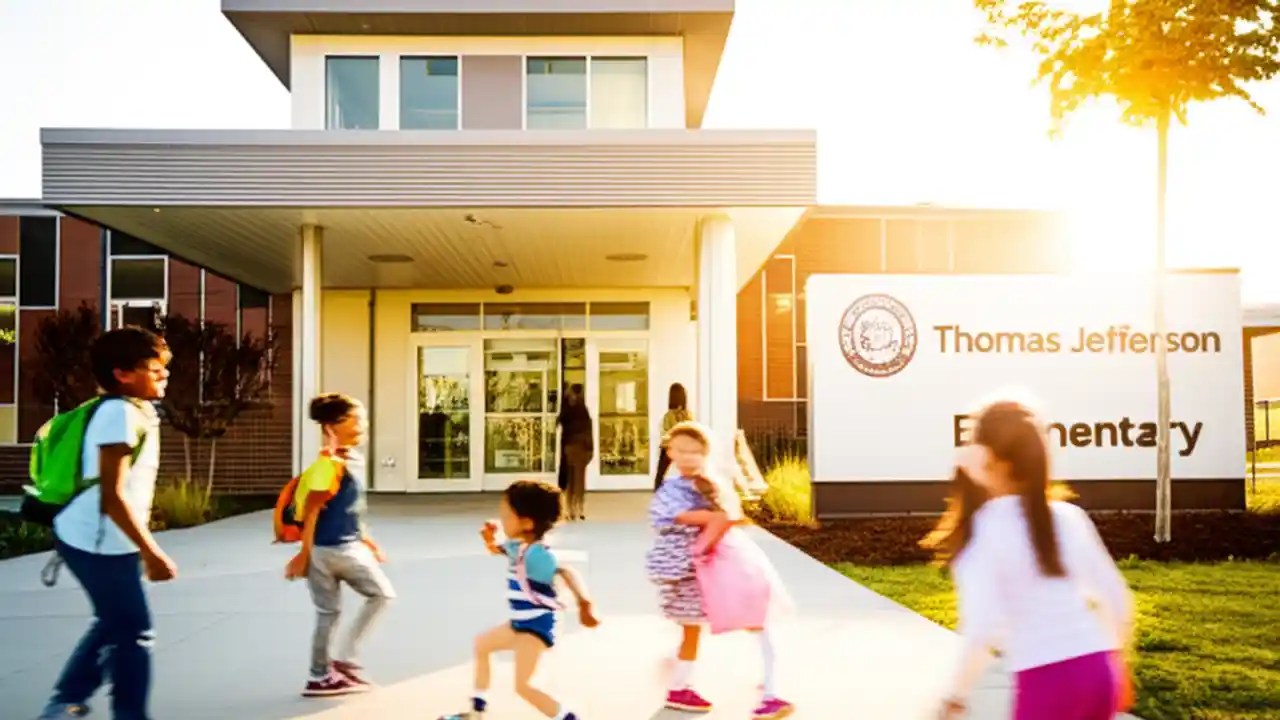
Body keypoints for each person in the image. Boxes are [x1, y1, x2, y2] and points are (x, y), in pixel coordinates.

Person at [926, 400, 1135, 720]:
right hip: (1098, 673)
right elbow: (1116, 596)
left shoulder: (988, 527)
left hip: (1047, 682)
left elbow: (983, 626)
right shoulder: (1069, 517)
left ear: (990, 458)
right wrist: (1117, 660)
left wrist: (957, 694)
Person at [38, 327, 174, 720]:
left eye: (165, 368)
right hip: (96, 541)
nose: (163, 375)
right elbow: (112, 496)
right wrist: (151, 552)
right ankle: (124, 713)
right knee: (134, 631)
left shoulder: (134, 411)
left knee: (114, 624)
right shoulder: (117, 414)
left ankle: (65, 702)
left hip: (105, 540)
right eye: (154, 369)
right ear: (122, 374)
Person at [647, 421, 794, 719]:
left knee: (756, 619)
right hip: (697, 570)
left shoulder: (710, 484)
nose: (689, 456)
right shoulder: (672, 489)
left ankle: (770, 691)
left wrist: (713, 526)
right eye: (682, 450)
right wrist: (710, 523)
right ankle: (683, 683)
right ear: (670, 452)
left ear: (706, 453)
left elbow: (726, 517)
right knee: (695, 628)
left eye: (696, 451)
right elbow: (679, 518)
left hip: (720, 564)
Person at [439, 480, 598, 720]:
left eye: (506, 515)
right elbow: (499, 551)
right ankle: (476, 712)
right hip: (521, 623)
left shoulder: (537, 554)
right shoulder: (519, 546)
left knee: (523, 686)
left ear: (526, 523)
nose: (502, 520)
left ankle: (567, 717)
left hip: (536, 627)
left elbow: (565, 571)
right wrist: (489, 541)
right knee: (482, 644)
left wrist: (584, 603)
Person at [285, 393, 396, 697]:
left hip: (342, 547)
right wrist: (303, 555)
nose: (363, 424)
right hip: (332, 550)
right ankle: (344, 662)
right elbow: (311, 512)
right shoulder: (328, 465)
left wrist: (368, 540)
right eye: (355, 419)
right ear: (332, 426)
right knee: (381, 595)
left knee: (329, 614)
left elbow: (351, 507)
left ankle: (319, 676)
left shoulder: (352, 460)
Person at [556, 384, 593, 521]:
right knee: (578, 480)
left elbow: (559, 422)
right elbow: (588, 430)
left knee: (571, 480)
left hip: (570, 447)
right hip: (579, 448)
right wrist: (590, 449)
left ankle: (570, 509)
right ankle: (577, 509)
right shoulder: (582, 410)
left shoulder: (568, 410)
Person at [654, 383, 692, 489]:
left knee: (661, 472)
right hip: (679, 446)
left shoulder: (670, 415)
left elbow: (666, 432)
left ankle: (658, 489)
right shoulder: (686, 415)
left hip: (669, 446)